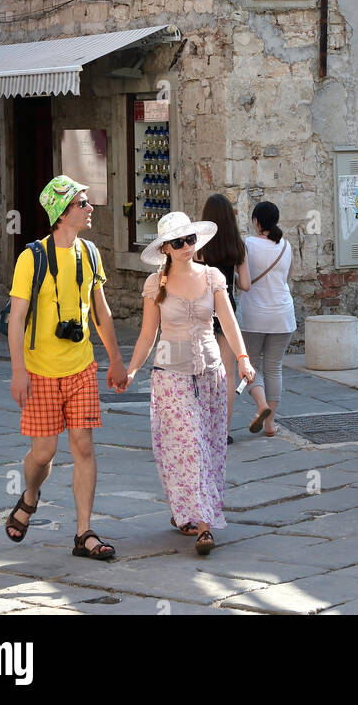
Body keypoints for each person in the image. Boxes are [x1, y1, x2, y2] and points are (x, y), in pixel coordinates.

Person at [6, 175, 128, 560]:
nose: (90, 208)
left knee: (83, 448)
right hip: (40, 370)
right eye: (82, 203)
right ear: (62, 213)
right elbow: (16, 317)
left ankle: (83, 532)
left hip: (80, 368)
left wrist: (116, 359)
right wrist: (18, 371)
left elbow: (102, 312)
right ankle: (29, 495)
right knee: (42, 455)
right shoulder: (32, 258)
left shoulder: (90, 253)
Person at [125, 211, 256, 556]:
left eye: (190, 240)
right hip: (170, 376)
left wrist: (243, 359)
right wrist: (131, 369)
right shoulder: (156, 284)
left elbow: (228, 321)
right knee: (186, 446)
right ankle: (203, 526)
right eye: (178, 242)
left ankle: (193, 513)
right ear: (166, 248)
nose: (186, 247)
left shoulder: (212, 277)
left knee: (209, 447)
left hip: (211, 373)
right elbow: (147, 334)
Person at [235, 201, 296, 438]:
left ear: (256, 221)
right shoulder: (286, 246)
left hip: (253, 316)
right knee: (274, 368)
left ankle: (261, 405)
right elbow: (287, 277)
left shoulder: (247, 244)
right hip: (282, 314)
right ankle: (270, 424)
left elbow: (244, 282)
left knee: (250, 366)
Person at [198, 193, 251, 442]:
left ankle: (204, 427)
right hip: (227, 308)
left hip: (203, 310)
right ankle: (224, 431)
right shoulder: (238, 245)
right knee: (228, 374)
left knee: (203, 371)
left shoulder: (199, 245)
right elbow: (247, 284)